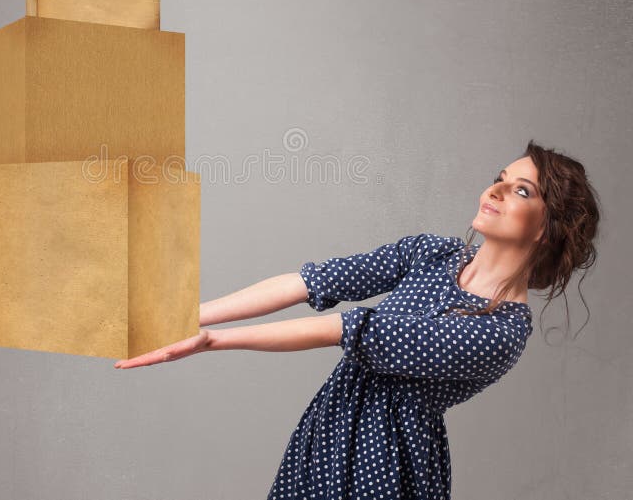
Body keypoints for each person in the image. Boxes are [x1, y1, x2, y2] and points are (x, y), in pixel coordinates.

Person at [113, 139, 601, 499]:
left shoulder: (501, 331)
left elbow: (350, 330)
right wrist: (182, 314)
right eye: (499, 176)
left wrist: (212, 341)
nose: (493, 189)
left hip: (387, 465)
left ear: (547, 228)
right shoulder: (434, 253)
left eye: (520, 190)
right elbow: (314, 282)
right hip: (328, 430)